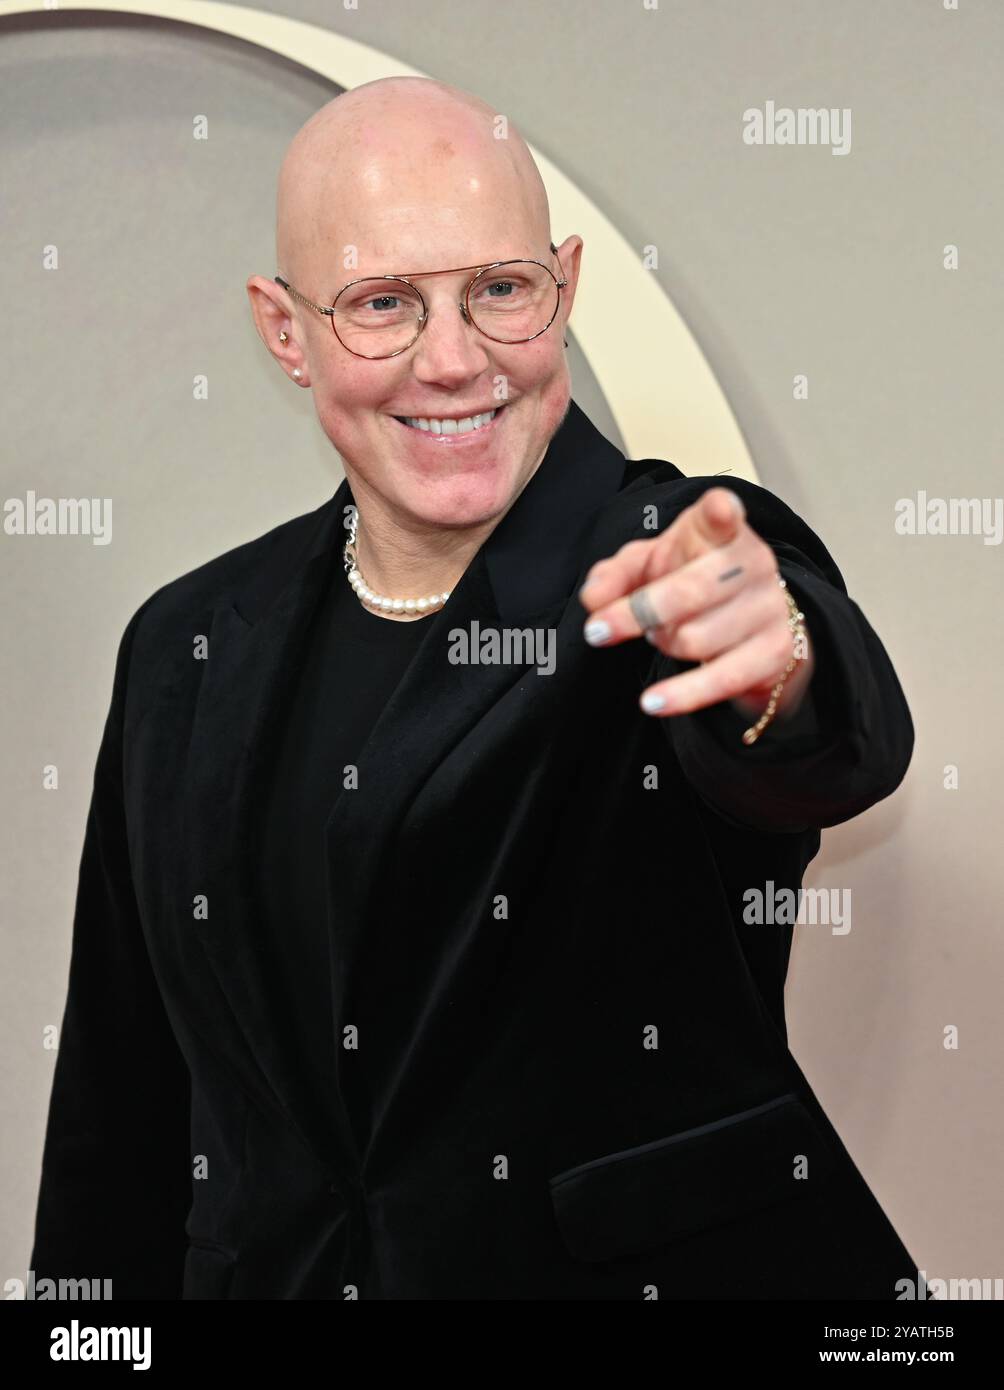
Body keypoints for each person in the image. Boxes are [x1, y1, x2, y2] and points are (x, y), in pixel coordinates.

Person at [30, 76, 920, 1300]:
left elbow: (814, 731)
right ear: (283, 330)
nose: (452, 362)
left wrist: (778, 666)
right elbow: (119, 1115)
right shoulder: (186, 645)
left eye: (498, 290)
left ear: (561, 285)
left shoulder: (660, 559)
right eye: (381, 305)